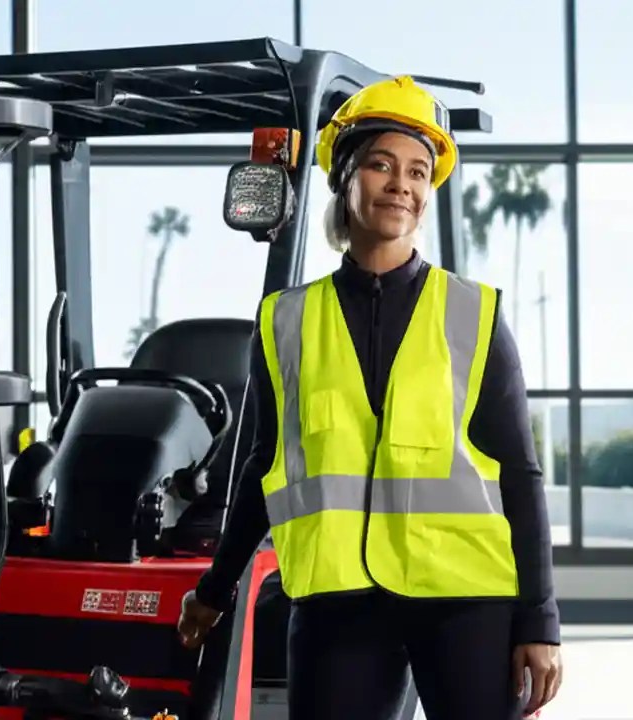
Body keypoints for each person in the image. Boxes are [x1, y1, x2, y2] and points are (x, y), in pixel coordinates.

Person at [176, 75, 563, 720]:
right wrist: (217, 588)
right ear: (346, 177)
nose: (401, 184)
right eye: (382, 165)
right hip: (338, 604)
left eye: (418, 171)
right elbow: (262, 467)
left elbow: (520, 474)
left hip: (465, 599)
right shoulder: (285, 322)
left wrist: (540, 621)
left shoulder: (476, 314)